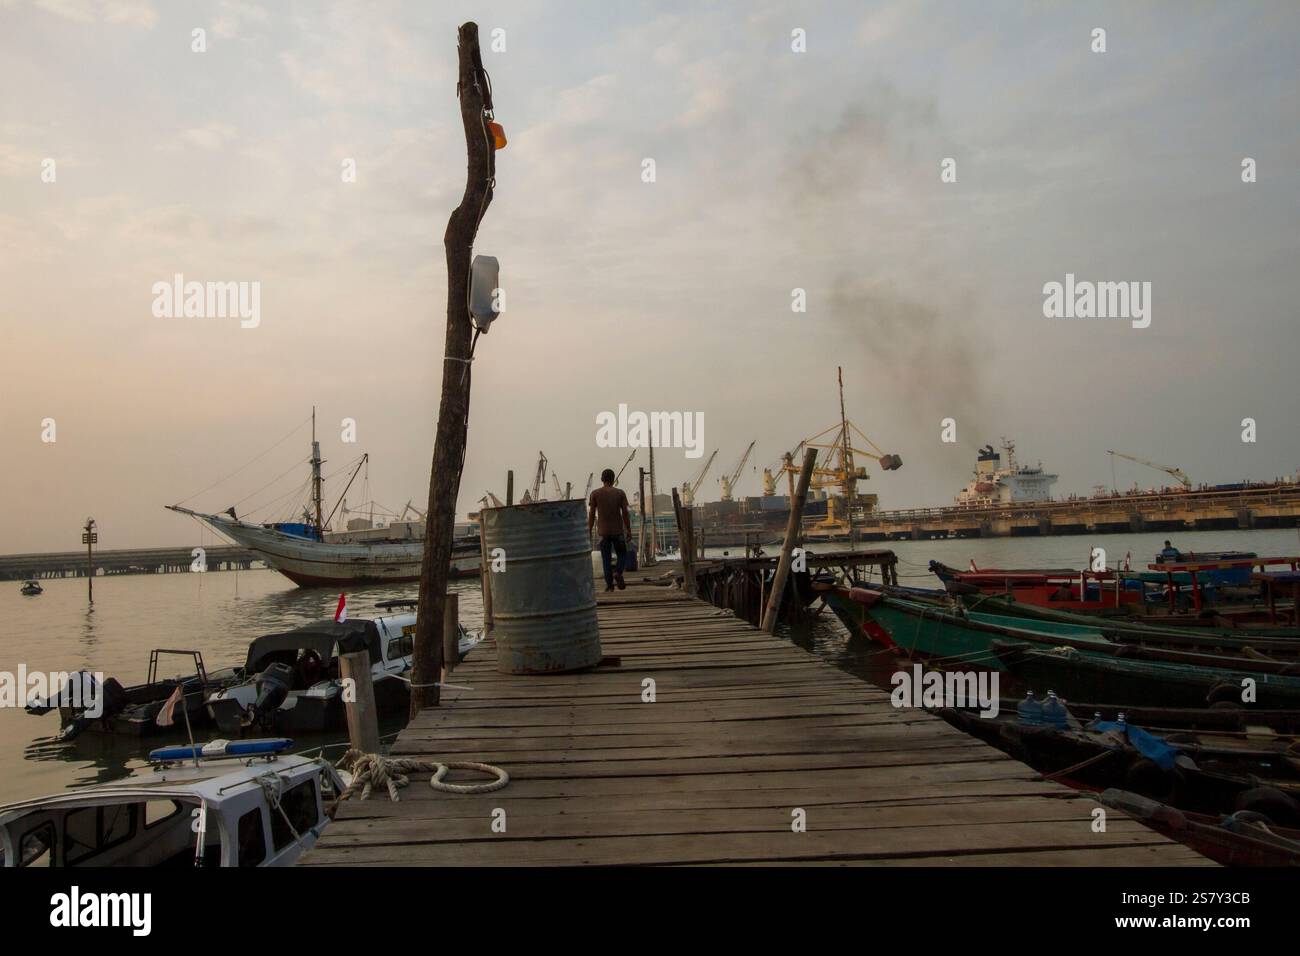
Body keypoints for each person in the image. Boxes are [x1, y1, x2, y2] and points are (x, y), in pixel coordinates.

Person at [588, 468, 632, 591]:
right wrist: (628, 530)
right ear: (613, 480)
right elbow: (625, 514)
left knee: (606, 559)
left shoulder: (595, 494)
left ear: (602, 479)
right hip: (617, 531)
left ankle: (609, 586)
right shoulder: (620, 493)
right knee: (622, 554)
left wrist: (589, 531)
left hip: (603, 533)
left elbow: (591, 514)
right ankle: (618, 572)